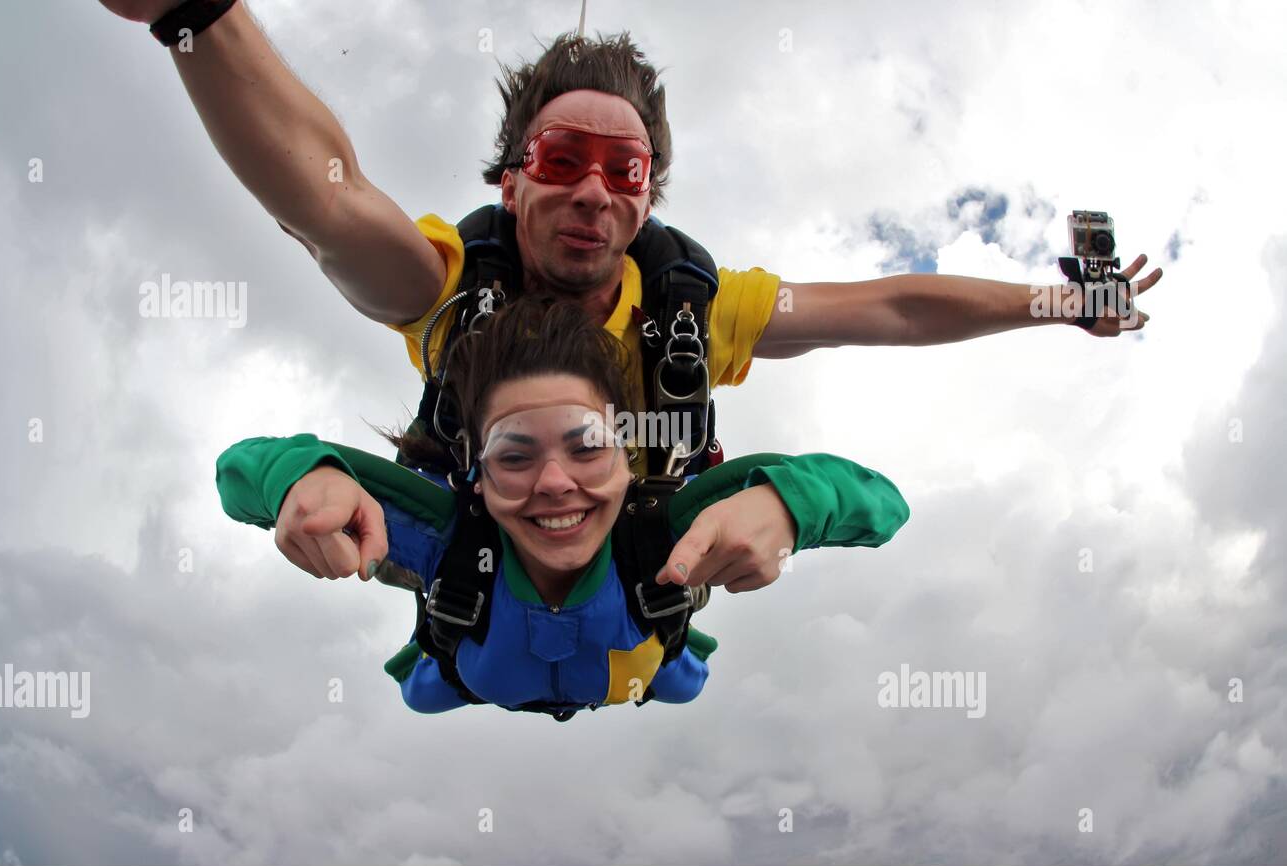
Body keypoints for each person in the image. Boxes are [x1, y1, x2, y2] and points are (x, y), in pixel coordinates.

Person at [100, 0, 1160, 593]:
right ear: (510, 181)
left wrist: (1060, 304)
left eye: (626, 169)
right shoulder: (450, 286)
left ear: (650, 195)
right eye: (561, 158)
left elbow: (889, 309)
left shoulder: (692, 306)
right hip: (487, 538)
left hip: (648, 541)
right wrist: (194, 17)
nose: (593, 192)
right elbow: (328, 202)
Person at [215, 295, 911, 719]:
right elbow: (237, 471)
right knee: (423, 693)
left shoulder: (669, 535)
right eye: (515, 456)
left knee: (682, 682)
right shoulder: (448, 537)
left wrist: (792, 504)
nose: (554, 483)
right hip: (468, 667)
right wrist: (299, 480)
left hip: (638, 662)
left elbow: (884, 503)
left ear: (627, 462)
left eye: (587, 448)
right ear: (477, 479)